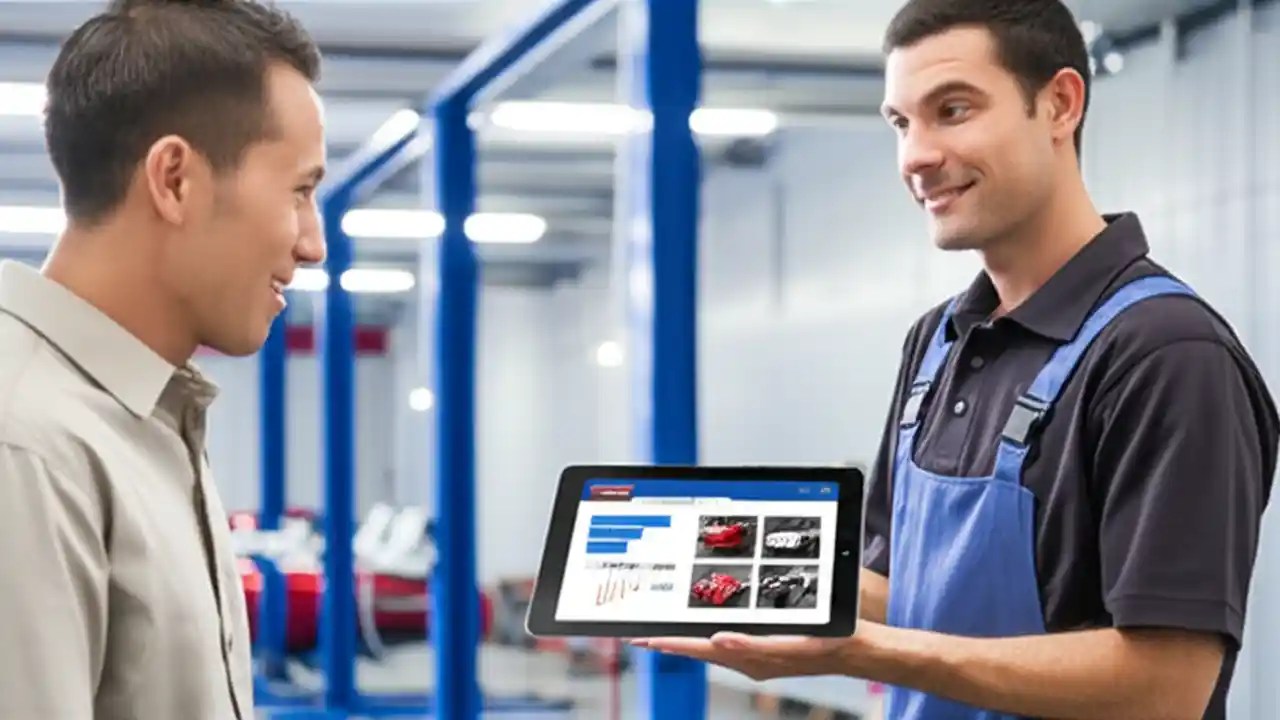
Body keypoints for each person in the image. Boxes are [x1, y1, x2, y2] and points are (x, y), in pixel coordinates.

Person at [635, 1, 1279, 719]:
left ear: (1060, 104)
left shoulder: (1165, 355)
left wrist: (860, 651)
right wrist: (717, 573)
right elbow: (903, 587)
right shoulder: (936, 341)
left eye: (953, 110)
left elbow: (1166, 687)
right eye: (901, 123)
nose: (915, 156)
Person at [0, 1, 326, 718]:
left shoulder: (145, 419)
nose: (313, 244)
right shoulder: (27, 444)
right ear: (175, 179)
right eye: (300, 191)